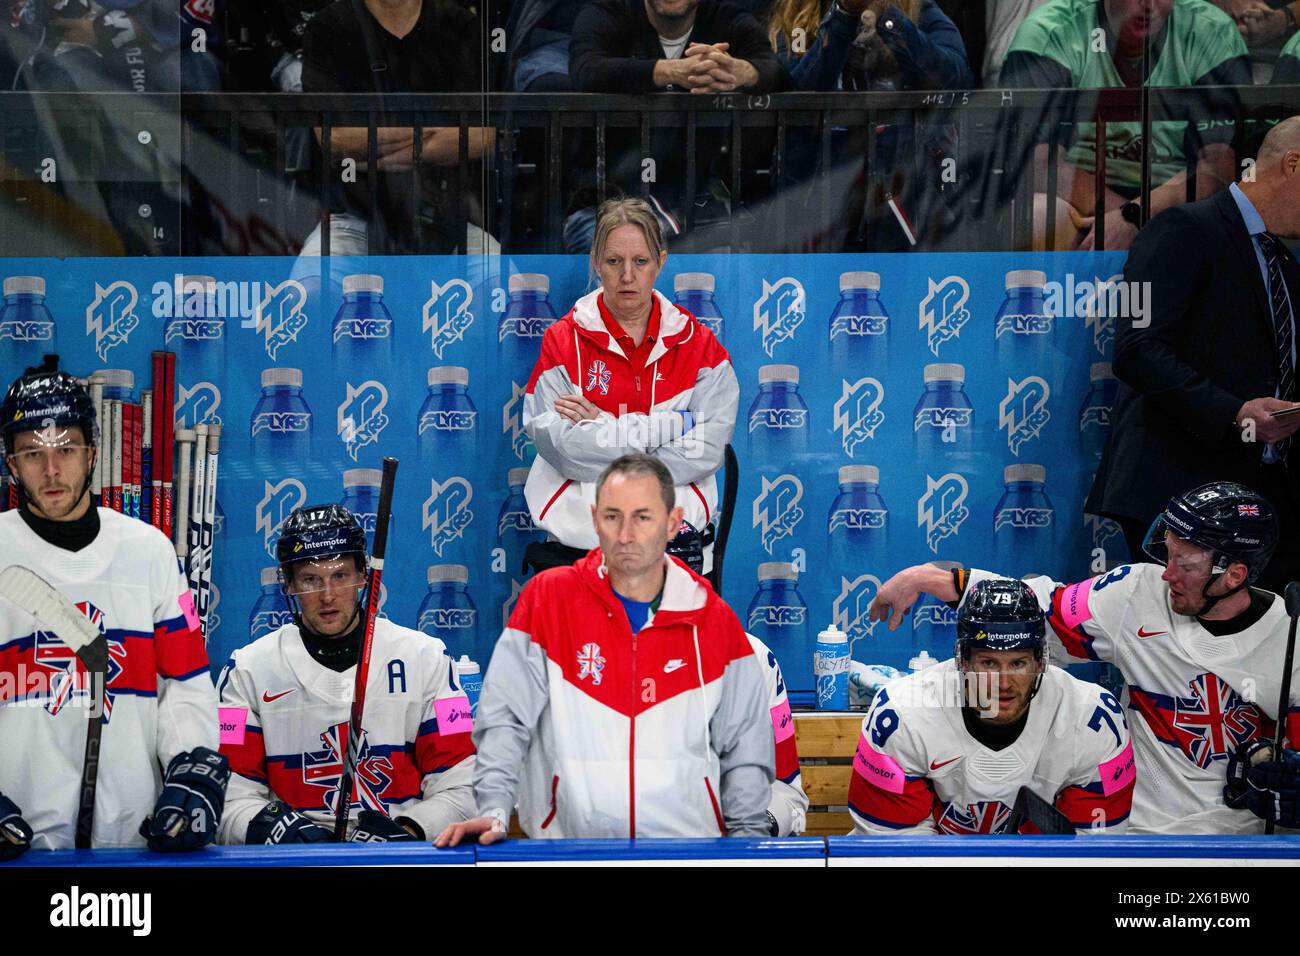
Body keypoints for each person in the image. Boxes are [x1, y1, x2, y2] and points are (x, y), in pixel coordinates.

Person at [869, 482, 1300, 834]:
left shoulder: (1293, 641)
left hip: (1251, 845)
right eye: (1167, 553)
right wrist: (928, 578)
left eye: (1184, 563)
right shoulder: (1137, 593)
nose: (1166, 572)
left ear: (1235, 574)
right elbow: (1037, 609)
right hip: (1142, 837)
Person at [435, 454, 773, 844]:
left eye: (643, 517)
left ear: (673, 523)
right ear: (594, 520)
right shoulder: (548, 599)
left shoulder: (714, 620)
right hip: (568, 853)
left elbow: (745, 752)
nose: (626, 534)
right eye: (613, 516)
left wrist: (748, 844)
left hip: (685, 853)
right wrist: (492, 808)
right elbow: (505, 720)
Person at [0, 364, 224, 857]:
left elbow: (184, 685)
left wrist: (191, 767)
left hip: (132, 836)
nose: (52, 471)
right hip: (15, 842)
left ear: (93, 454)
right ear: (12, 465)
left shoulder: (149, 551)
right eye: (33, 454)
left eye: (66, 451)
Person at [1086, 116, 1300, 593]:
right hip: (1176, 489)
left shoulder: (1284, 262)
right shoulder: (1179, 228)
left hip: (1260, 500)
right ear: (1293, 164)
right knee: (1172, 657)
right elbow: (1136, 349)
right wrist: (1236, 413)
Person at [216, 504, 476, 845]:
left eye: (340, 575)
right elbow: (226, 799)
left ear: (363, 577)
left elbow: (463, 784)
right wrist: (278, 832)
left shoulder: (427, 658)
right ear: (289, 585)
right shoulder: (246, 670)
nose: (327, 595)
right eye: (310, 579)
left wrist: (408, 830)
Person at [522, 198, 739, 576]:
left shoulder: (701, 347)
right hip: (582, 557)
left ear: (661, 262)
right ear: (595, 263)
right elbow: (560, 448)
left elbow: (707, 449)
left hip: (678, 558)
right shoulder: (562, 341)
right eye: (613, 261)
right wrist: (662, 433)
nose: (627, 276)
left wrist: (601, 426)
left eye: (640, 262)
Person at [848, 579, 1134, 835]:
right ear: (963, 660)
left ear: (1041, 662)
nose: (1004, 683)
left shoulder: (1092, 719)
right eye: (988, 663)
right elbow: (898, 852)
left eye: (1018, 663)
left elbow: (1090, 855)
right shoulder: (902, 713)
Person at [1002, 0, 1250, 251]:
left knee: (1220, 216)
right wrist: (1125, 217)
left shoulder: (1213, 32)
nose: (1148, 5)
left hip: (1176, 200)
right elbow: (1040, 163)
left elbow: (1218, 168)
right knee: (1038, 215)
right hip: (1081, 202)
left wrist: (1136, 216)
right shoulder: (1048, 32)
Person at [297, 0, 496, 258]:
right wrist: (429, 136)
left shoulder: (461, 25)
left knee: (502, 289)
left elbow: (482, 137)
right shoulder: (328, 25)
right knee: (311, 291)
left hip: (449, 221)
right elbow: (336, 138)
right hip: (352, 219)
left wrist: (376, 158)